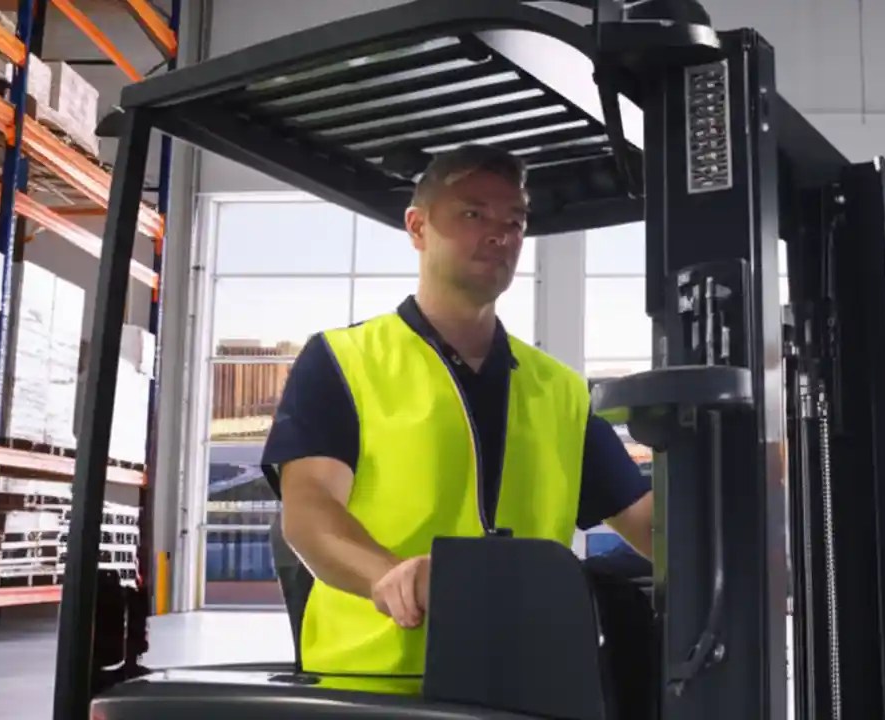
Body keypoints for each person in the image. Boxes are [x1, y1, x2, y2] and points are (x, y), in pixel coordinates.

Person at [261, 143, 653, 678]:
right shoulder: (343, 361)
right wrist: (390, 577)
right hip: (378, 686)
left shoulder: (558, 389)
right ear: (418, 228)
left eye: (514, 220)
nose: (500, 233)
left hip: (526, 681)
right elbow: (308, 511)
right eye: (473, 213)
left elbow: (646, 523)